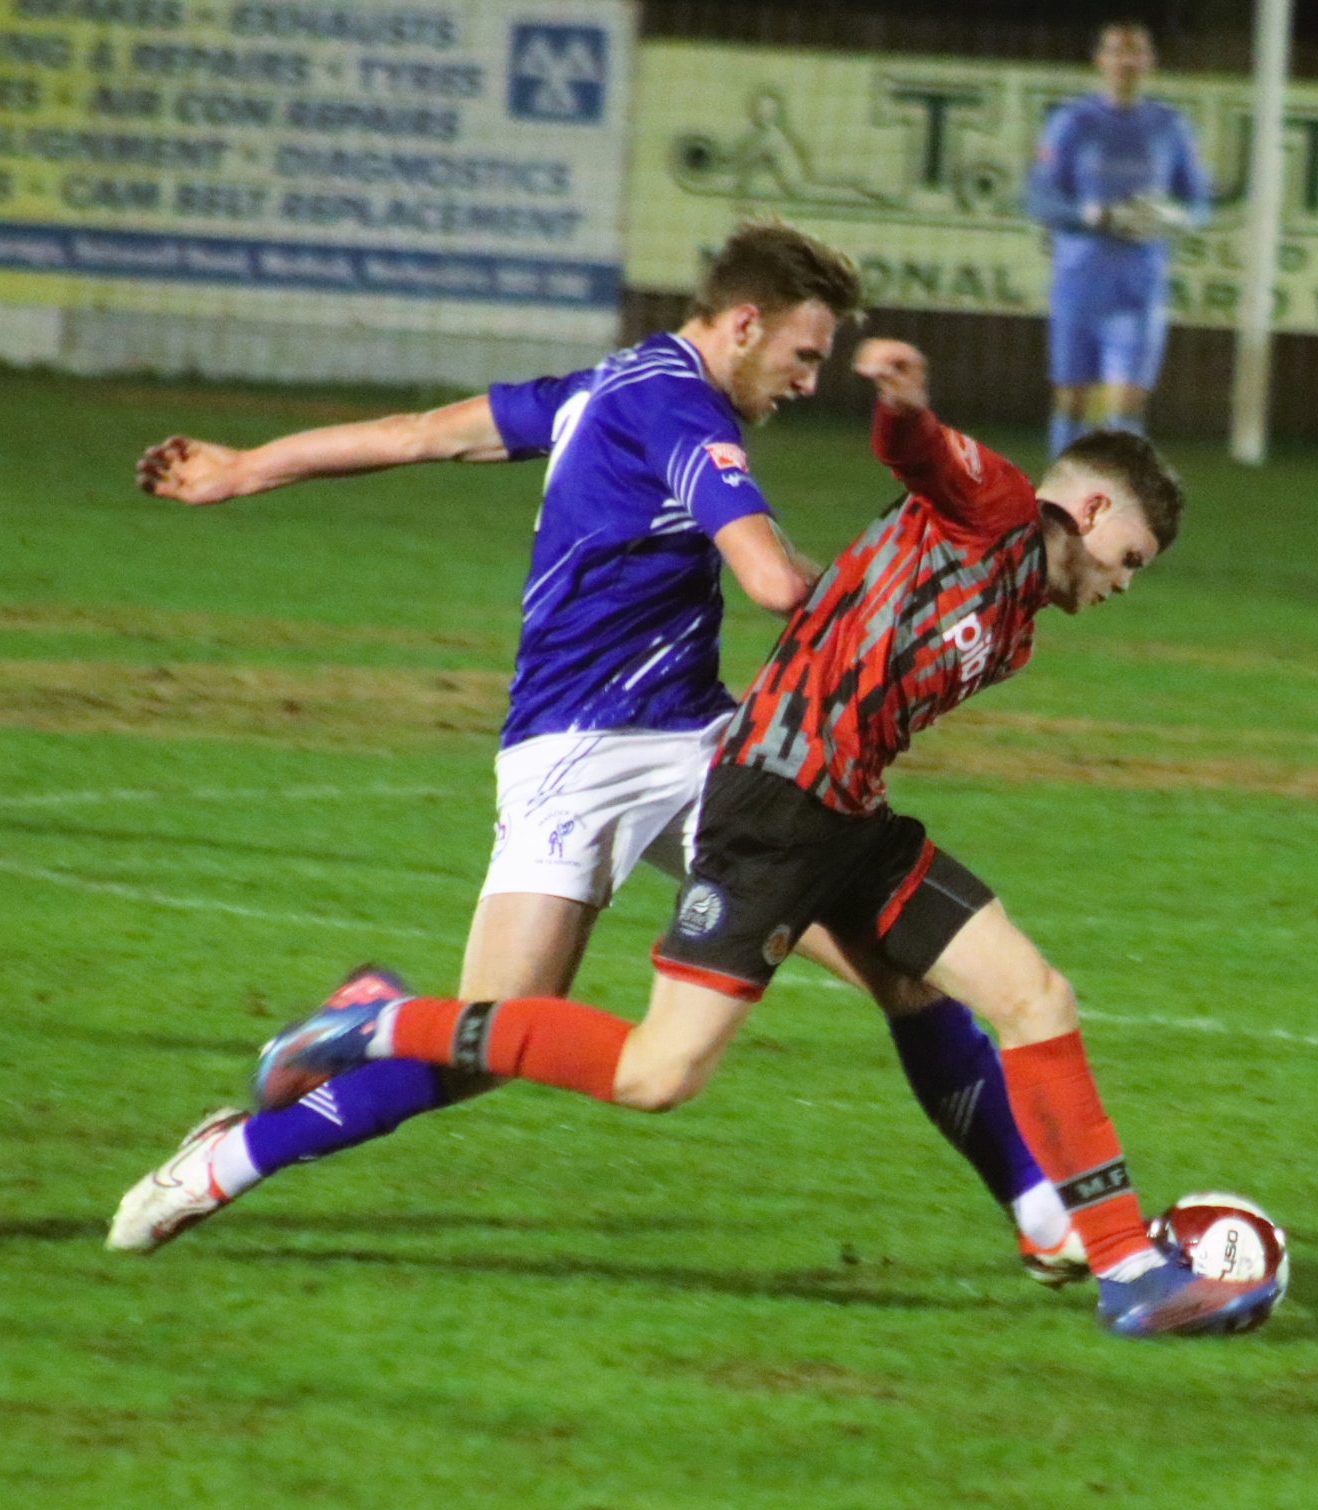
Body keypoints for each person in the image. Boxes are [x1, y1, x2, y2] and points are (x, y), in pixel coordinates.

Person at [108, 225, 1084, 1284]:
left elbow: (423, 432)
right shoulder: (679, 410)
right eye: (802, 356)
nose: (807, 382)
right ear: (744, 324)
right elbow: (773, 582)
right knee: (484, 1042)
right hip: (571, 756)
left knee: (903, 970)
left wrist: (245, 467)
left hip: (704, 749)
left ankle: (1043, 1216)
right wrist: (883, 611)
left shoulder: (606, 385)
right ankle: (237, 1149)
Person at [251, 340, 1275, 1338]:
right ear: (1088, 510)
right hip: (769, 807)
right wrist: (903, 407)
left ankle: (1120, 1267)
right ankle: (373, 1026)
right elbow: (920, 458)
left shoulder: (1015, 624)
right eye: (1129, 557)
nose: (1126, 581)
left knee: (1027, 994)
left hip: (846, 819)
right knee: (654, 1071)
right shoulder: (999, 507)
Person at [1026, 20, 1209, 455]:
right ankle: (1060, 500)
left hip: (1139, 283)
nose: (1126, 61)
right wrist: (1092, 214)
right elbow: (1039, 198)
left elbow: (1199, 203)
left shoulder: (1169, 126)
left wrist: (1170, 218)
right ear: (1100, 61)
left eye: (1135, 52)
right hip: (1079, 280)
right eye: (1116, 52)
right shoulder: (1074, 122)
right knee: (1072, 399)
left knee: (1126, 401)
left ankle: (1121, 507)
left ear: (1149, 62)